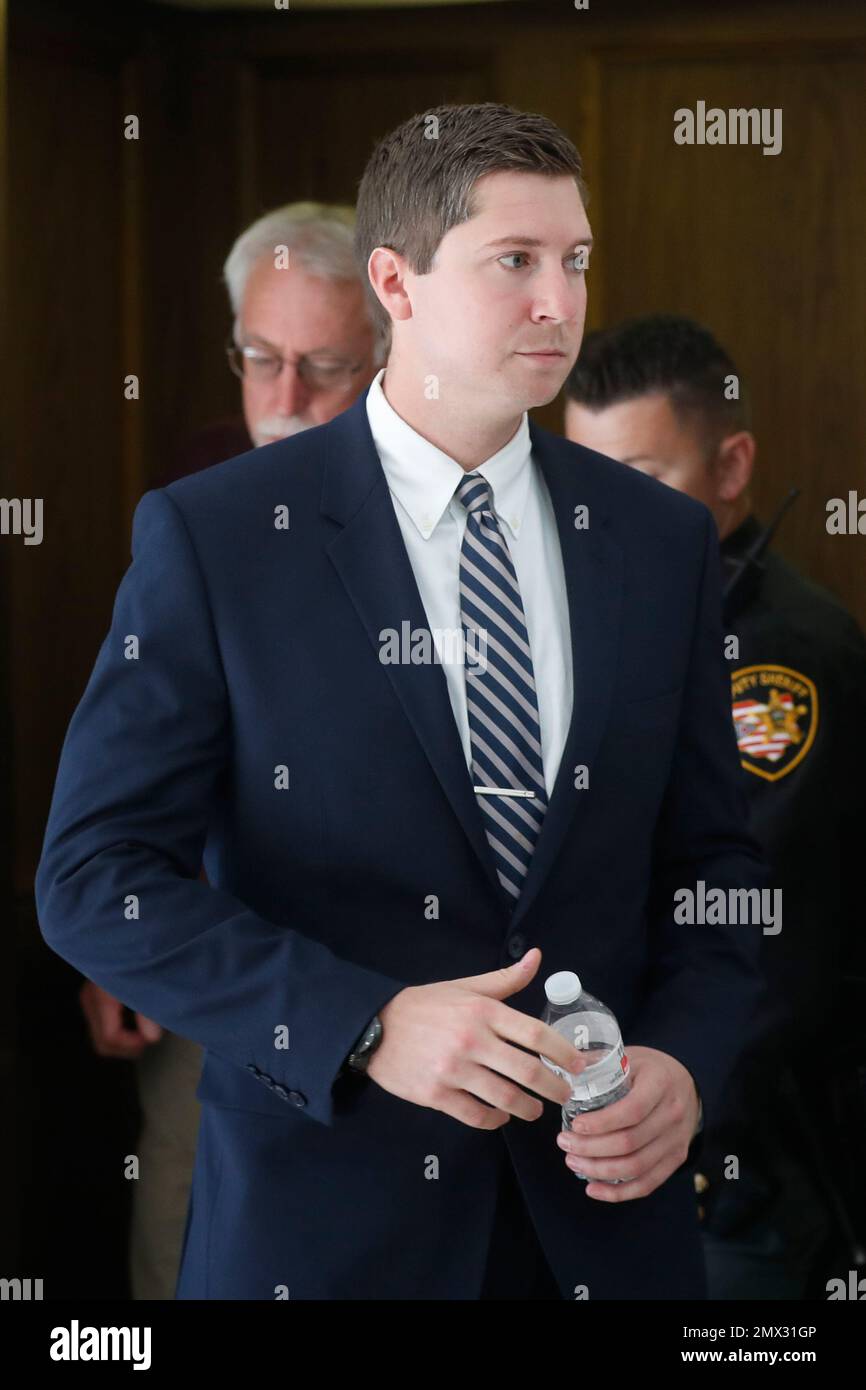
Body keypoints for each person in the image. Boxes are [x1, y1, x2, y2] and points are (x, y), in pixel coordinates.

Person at [36, 104, 766, 1302]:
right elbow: (93, 876)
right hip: (324, 1238)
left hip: (606, 1236)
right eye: (513, 262)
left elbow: (714, 865)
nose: (558, 301)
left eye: (574, 261)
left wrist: (686, 1063)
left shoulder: (658, 538)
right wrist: (361, 1021)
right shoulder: (218, 539)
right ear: (396, 281)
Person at [76, 200, 381, 1300]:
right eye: (259, 359)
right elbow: (128, 766)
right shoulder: (195, 505)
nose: (283, 400)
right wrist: (117, 943)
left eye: (321, 366)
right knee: (182, 1229)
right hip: (211, 954)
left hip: (394, 976)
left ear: (390, 348)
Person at [564, 313, 866, 1299]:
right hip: (607, 1141)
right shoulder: (609, 618)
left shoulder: (781, 661)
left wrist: (643, 1107)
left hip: (727, 1168)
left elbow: (757, 944)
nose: (602, 516)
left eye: (642, 479)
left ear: (730, 468)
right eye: (582, 480)